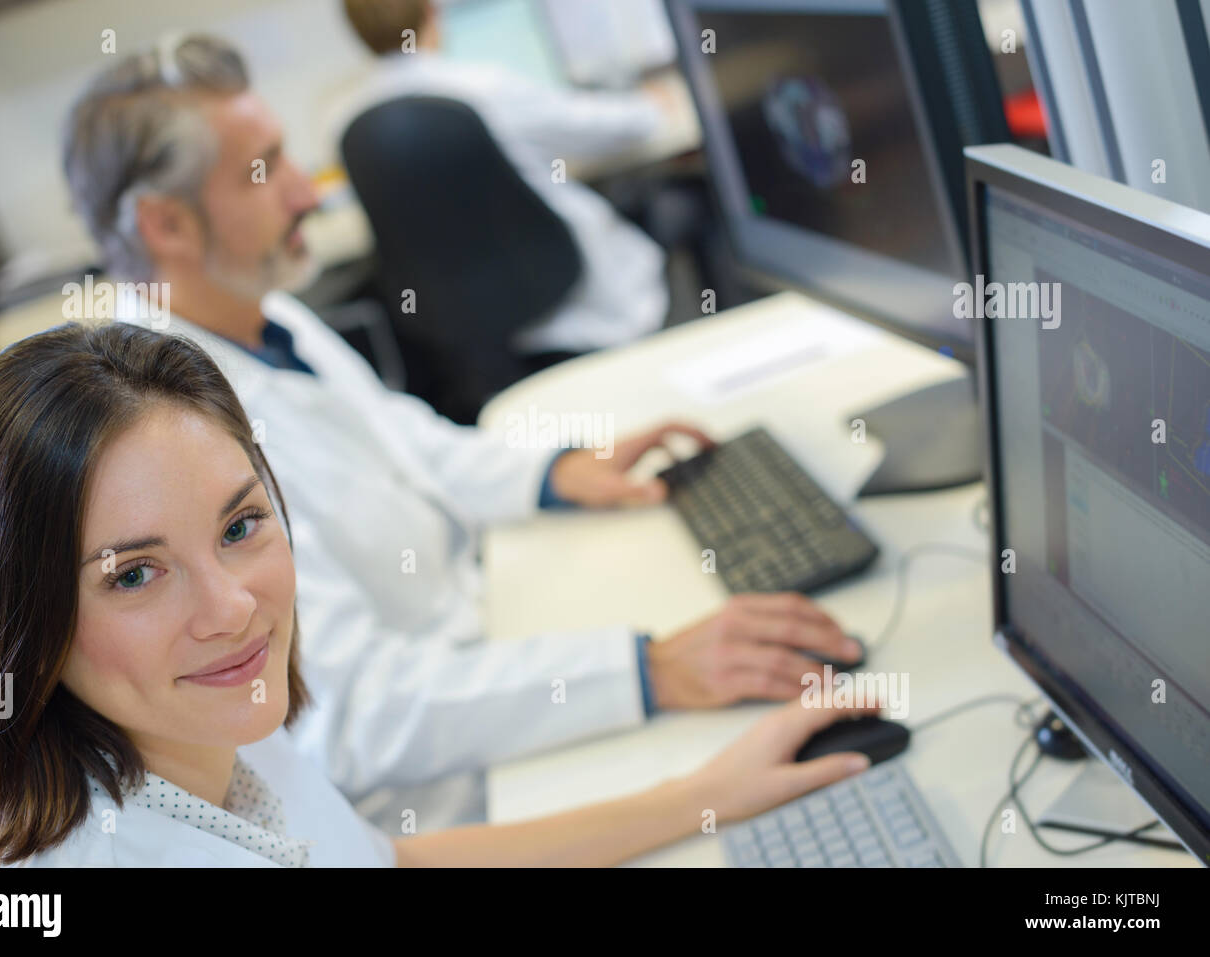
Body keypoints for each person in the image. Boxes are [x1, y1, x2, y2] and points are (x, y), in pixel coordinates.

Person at [61, 34, 867, 832]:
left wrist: (554, 472)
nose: (309, 193)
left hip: (491, 650)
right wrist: (644, 669)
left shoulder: (262, 319)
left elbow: (409, 444)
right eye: (265, 172)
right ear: (166, 223)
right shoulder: (163, 438)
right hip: (448, 793)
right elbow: (351, 709)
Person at [0, 322, 874, 867]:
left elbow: (388, 863)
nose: (232, 609)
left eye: (240, 525)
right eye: (134, 575)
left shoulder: (213, 729)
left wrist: (701, 796)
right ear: (27, 627)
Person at [333, 0, 673, 357]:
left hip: (472, 333)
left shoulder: (346, 119)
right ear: (432, 11)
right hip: (579, 307)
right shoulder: (484, 86)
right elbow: (609, 127)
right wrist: (651, 104)